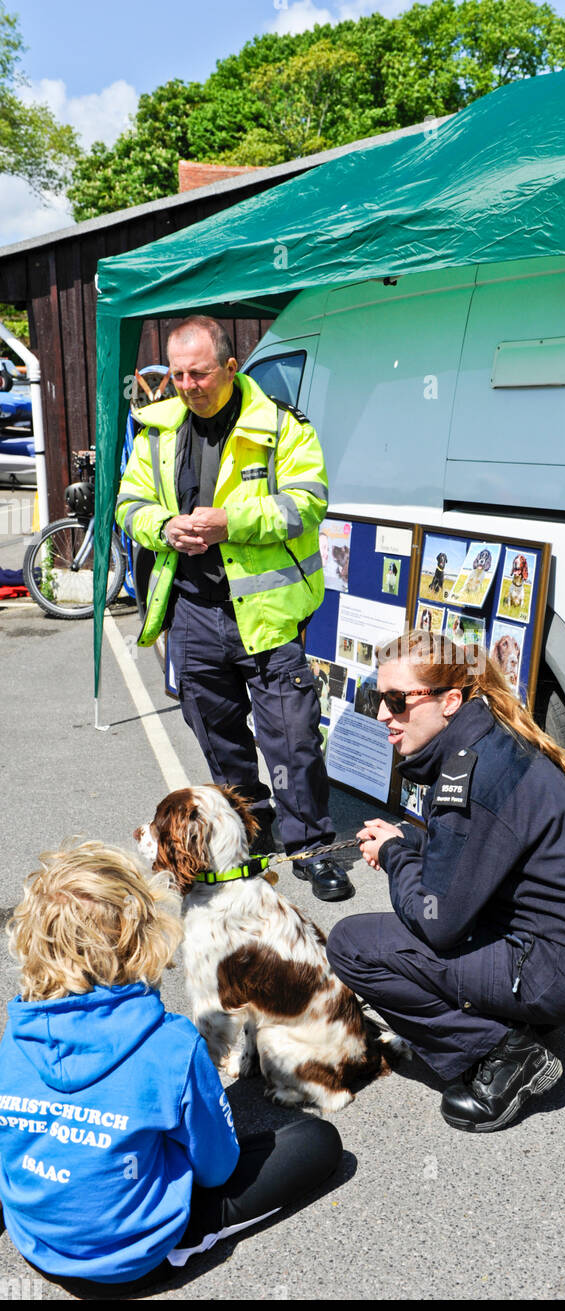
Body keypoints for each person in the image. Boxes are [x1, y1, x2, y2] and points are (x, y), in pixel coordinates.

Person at [0, 843, 342, 1295]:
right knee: (318, 1142)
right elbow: (216, 1170)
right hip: (133, 1260)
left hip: (36, 1239)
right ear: (144, 940)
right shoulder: (172, 1043)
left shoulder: (14, 1033)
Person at [326, 631, 565, 1133]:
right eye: (377, 697)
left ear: (449, 701)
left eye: (397, 701)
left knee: (353, 945)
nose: (383, 715)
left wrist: (397, 855)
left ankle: (506, 1055)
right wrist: (408, 840)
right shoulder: (486, 741)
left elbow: (439, 922)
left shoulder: (468, 780)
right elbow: (473, 853)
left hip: (564, 966)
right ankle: (518, 1017)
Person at [115, 315, 350, 901]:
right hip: (192, 611)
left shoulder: (282, 428)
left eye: (199, 373)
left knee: (293, 738)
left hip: (267, 614)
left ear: (230, 366)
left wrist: (230, 524)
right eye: (177, 374)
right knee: (215, 732)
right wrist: (164, 527)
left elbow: (308, 504)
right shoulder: (157, 430)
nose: (188, 385)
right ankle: (251, 827)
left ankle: (313, 848)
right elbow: (128, 506)